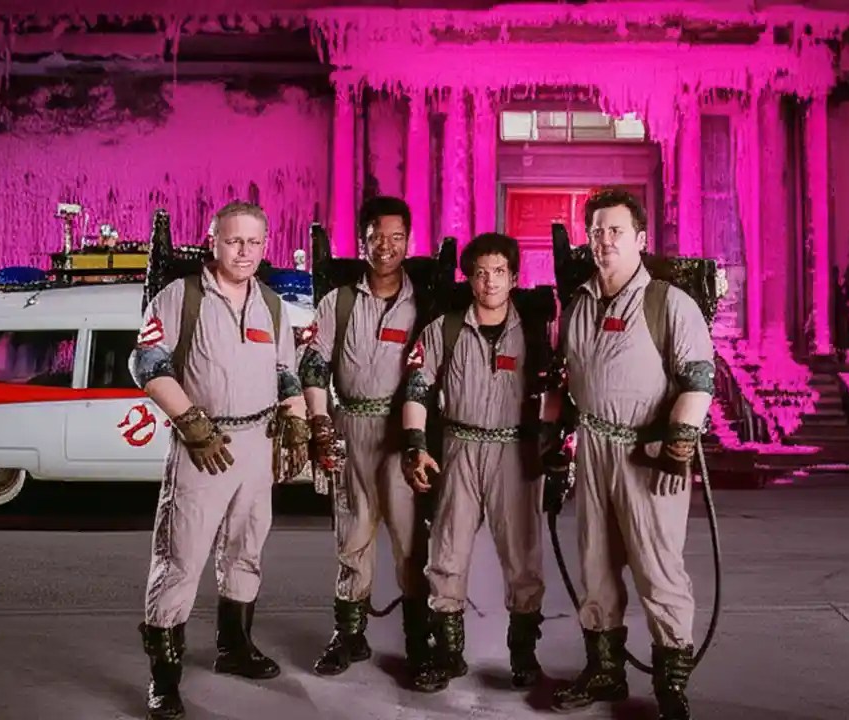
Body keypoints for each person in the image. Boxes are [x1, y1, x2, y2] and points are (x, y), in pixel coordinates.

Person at [130, 201, 310, 720]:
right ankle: (164, 681)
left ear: (266, 244)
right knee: (180, 558)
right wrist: (190, 423)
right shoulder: (180, 296)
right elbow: (145, 361)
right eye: (233, 241)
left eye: (254, 243)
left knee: (246, 548)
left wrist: (295, 420)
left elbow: (285, 372)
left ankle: (234, 648)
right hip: (202, 446)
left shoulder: (272, 306)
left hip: (257, 444)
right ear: (213, 242)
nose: (244, 252)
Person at [542, 188, 715, 720]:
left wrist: (680, 443)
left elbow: (699, 379)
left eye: (615, 231)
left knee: (658, 571)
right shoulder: (577, 305)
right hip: (593, 448)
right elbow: (562, 380)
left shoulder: (668, 303)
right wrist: (554, 446)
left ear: (640, 239)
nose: (604, 241)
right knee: (594, 564)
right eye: (596, 231)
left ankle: (670, 688)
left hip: (649, 453)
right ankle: (605, 672)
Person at [400, 233, 547, 693]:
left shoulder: (537, 332)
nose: (489, 282)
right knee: (446, 552)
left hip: (514, 451)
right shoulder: (443, 329)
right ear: (468, 277)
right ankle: (447, 653)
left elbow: (558, 390)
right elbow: (417, 387)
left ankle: (523, 654)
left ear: (515, 278)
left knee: (522, 556)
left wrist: (557, 446)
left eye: (499, 272)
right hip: (459, 447)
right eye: (480, 273)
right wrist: (416, 443)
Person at [300, 196, 432, 678]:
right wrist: (318, 422)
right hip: (349, 425)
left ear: (408, 242)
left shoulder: (425, 302)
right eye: (377, 236)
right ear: (362, 240)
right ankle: (349, 636)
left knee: (409, 542)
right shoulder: (339, 301)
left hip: (401, 433)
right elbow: (313, 363)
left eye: (396, 238)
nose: (386, 247)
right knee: (351, 535)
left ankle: (419, 641)